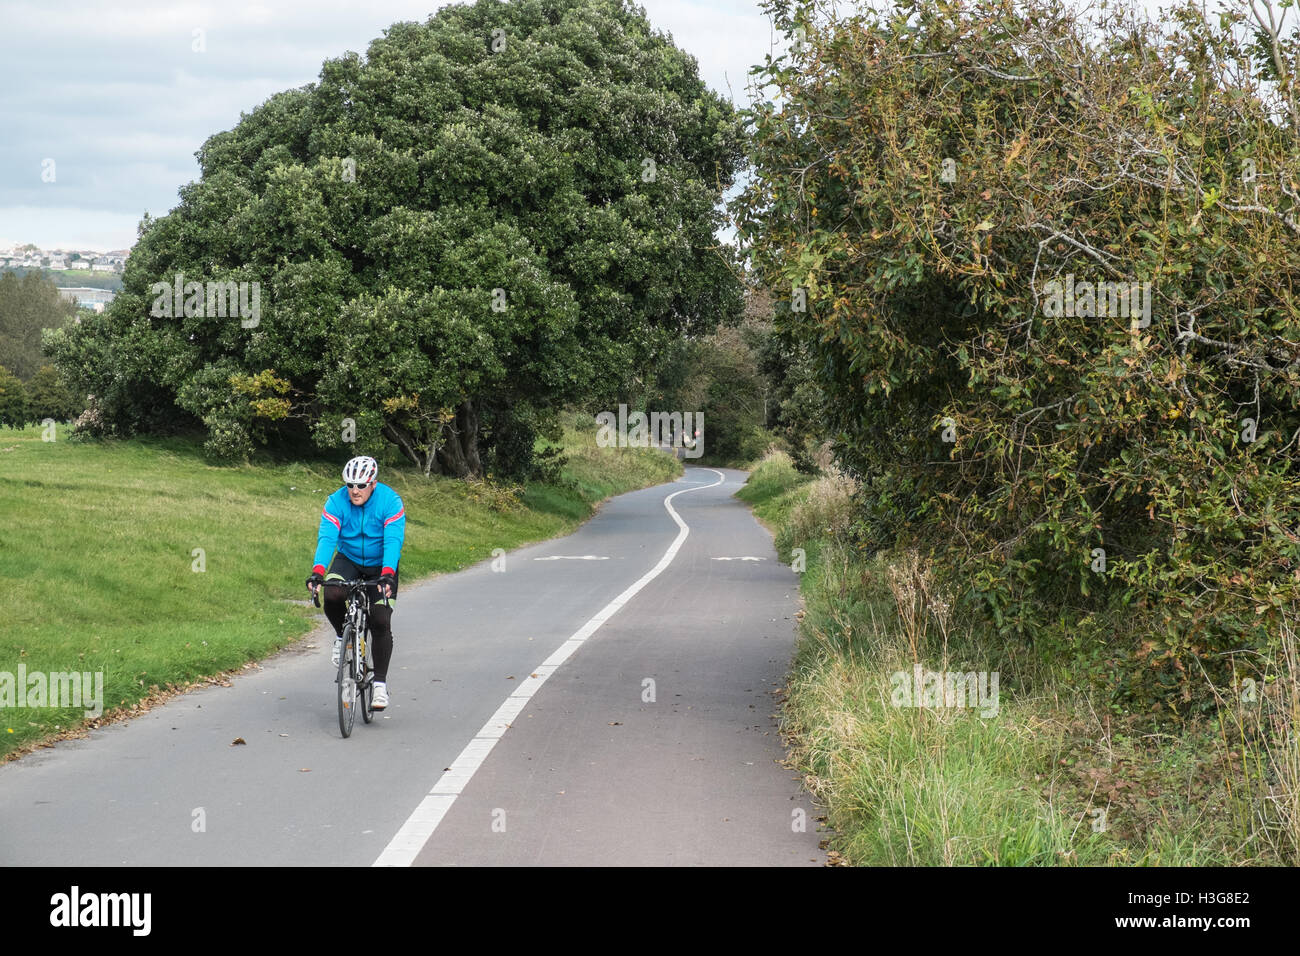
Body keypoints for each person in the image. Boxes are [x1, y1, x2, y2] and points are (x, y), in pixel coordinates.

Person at [306, 455, 405, 711]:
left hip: (381, 563)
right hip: (348, 558)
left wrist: (387, 573)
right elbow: (327, 537)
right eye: (350, 485)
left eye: (361, 485)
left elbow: (393, 540)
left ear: (373, 483)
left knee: (380, 620)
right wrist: (317, 572)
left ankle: (380, 686)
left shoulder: (390, 501)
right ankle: (343, 637)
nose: (355, 491)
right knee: (334, 594)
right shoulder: (336, 501)